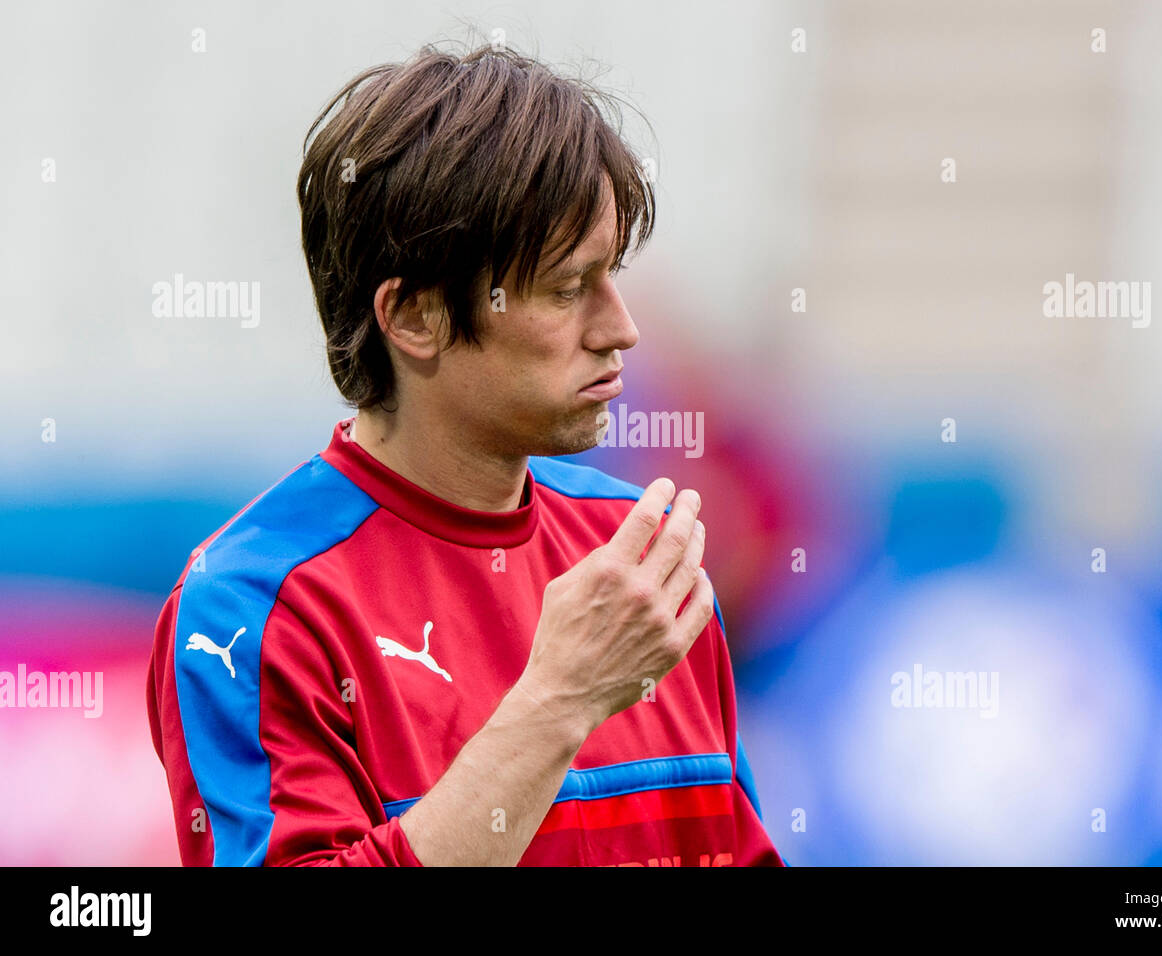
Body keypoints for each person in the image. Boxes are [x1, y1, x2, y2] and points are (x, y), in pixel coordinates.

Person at [145, 41, 785, 867]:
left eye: (613, 275)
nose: (621, 328)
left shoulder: (639, 559)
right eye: (565, 288)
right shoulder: (252, 606)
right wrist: (558, 702)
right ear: (414, 318)